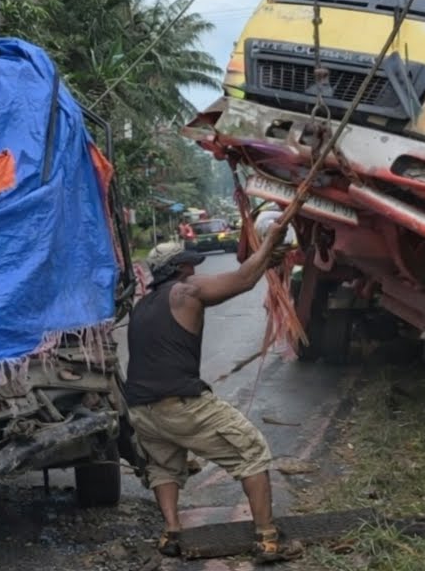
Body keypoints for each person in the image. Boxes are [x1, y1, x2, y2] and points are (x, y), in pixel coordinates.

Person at [126, 217, 302, 564]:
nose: (194, 271)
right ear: (179, 269)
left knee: (164, 468)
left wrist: (268, 254)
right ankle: (268, 540)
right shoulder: (185, 292)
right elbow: (243, 279)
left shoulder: (141, 307)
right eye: (189, 266)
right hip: (181, 404)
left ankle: (171, 533)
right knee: (251, 451)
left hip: (142, 411)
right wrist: (271, 243)